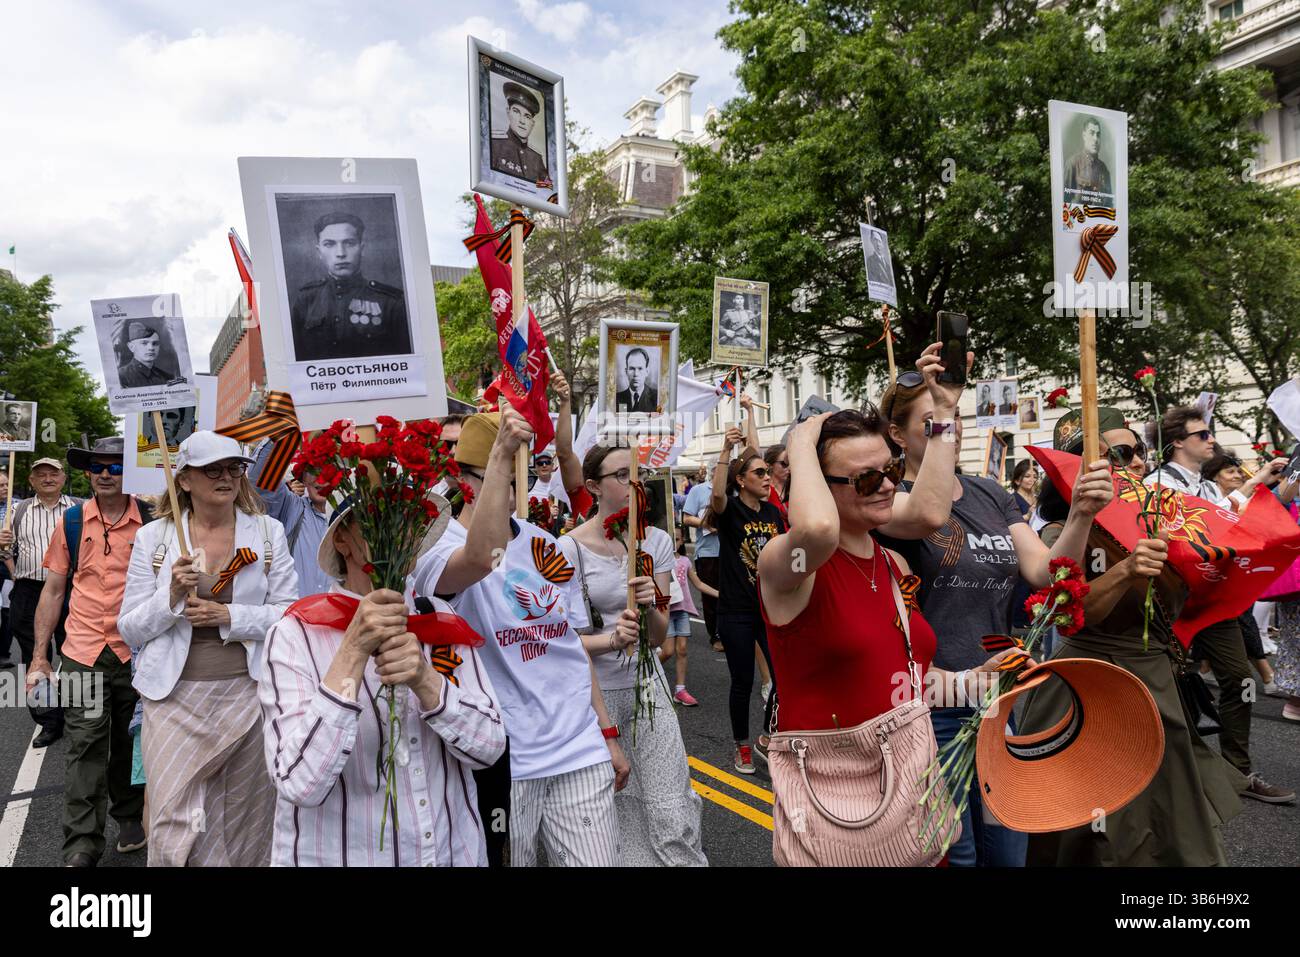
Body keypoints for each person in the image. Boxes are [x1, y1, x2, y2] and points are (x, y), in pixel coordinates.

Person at [757, 408, 1023, 866]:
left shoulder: (894, 565)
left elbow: (908, 681)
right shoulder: (791, 566)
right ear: (818, 484)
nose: (886, 486)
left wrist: (977, 681)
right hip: (840, 808)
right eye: (865, 479)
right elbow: (818, 529)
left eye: (892, 470)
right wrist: (800, 441)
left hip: (912, 799)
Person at [878, 360, 1114, 867]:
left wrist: (1080, 513)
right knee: (957, 854)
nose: (951, 427)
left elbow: (1045, 572)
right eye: (933, 420)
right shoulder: (889, 502)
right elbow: (928, 515)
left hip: (995, 701)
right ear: (896, 434)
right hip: (929, 702)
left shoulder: (990, 494)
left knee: (1007, 852)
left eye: (954, 417)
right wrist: (945, 411)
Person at [1021, 413, 1248, 864]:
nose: (1139, 463)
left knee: (1173, 826)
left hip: (1158, 682)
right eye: (1121, 455)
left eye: (1138, 451)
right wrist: (1125, 570)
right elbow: (1072, 617)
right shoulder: (1064, 532)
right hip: (1092, 689)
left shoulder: (1165, 521)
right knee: (1099, 831)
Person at [410, 408, 627, 867]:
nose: (514, 491)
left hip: (578, 748)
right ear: (463, 479)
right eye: (503, 478)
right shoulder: (436, 548)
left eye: (520, 480)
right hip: (505, 760)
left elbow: (568, 646)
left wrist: (606, 733)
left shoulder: (544, 544)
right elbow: (481, 558)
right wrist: (501, 456)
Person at [260, 497, 505, 866]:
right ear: (342, 539)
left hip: (448, 854)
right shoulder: (295, 635)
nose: (402, 529)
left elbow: (490, 748)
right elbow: (299, 782)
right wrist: (353, 651)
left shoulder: (438, 621)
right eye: (381, 516)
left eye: (411, 518)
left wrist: (426, 681)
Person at [118, 431, 298, 866]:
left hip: (248, 696)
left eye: (234, 468)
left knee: (244, 819)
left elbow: (289, 614)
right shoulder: (154, 538)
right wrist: (170, 597)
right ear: (184, 480)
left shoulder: (268, 532)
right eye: (211, 470)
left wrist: (229, 616)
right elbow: (130, 629)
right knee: (170, 821)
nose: (226, 477)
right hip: (173, 701)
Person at [557, 444, 707, 866]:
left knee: (669, 800)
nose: (633, 484)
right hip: (596, 695)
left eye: (637, 474)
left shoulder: (655, 541)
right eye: (622, 475)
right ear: (593, 486)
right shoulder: (568, 548)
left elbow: (658, 635)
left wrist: (648, 604)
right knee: (617, 805)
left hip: (647, 686)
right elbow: (560, 644)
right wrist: (610, 640)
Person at [1144, 407, 1294, 803]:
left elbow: (1227, 513)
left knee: (1241, 680)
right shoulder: (1157, 482)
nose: (1211, 439)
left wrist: (1267, 481)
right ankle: (1167, 774)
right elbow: (1192, 527)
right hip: (1170, 604)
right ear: (1177, 441)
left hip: (1212, 601)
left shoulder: (1207, 487)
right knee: (1168, 688)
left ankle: (1237, 772)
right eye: (1202, 434)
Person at [26, 437, 148, 866]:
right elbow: (53, 590)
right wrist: (40, 657)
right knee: (84, 745)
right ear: (88, 473)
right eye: (98, 467)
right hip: (82, 652)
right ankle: (81, 842)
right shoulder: (73, 521)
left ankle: (129, 816)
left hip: (138, 653)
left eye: (116, 467)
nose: (106, 474)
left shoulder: (154, 521)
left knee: (131, 742)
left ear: (130, 473)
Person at [708, 428, 788, 773]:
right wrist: (726, 449)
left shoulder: (772, 514)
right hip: (736, 612)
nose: (767, 477)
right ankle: (741, 745)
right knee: (742, 681)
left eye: (768, 472)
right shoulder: (730, 511)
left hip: (771, 610)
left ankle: (768, 737)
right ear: (741, 480)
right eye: (759, 473)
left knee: (783, 678)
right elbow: (717, 496)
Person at [0, 457, 81, 746]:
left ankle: (77, 714)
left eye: (53, 474)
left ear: (63, 478)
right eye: (41, 474)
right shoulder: (15, 511)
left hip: (71, 590)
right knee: (32, 655)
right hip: (29, 591)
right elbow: (4, 549)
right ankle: (48, 719)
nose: (47, 478)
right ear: (31, 481)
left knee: (76, 653)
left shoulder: (79, 510)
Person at [290, 212, 411, 361]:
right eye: (329, 244)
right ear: (319, 252)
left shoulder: (391, 302)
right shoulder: (306, 300)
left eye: (349, 243)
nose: (341, 253)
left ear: (362, 248)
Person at [250, 438, 332, 599]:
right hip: (294, 614)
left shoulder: (355, 517)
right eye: (313, 470)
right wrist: (279, 435)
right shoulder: (293, 509)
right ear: (303, 478)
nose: (320, 478)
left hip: (342, 615)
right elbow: (260, 478)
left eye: (328, 469)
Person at [662, 527, 706, 707]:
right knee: (668, 651)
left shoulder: (685, 561)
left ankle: (680, 690)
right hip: (665, 611)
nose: (675, 542)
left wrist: (721, 594)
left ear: (682, 541)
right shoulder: (660, 560)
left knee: (682, 649)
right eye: (672, 539)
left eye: (678, 539)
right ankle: (647, 675)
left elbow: (698, 584)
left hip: (682, 612)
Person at [682, 467, 722, 653]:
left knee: (732, 593)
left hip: (731, 551)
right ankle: (715, 635)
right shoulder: (699, 490)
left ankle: (730, 632)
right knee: (711, 596)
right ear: (714, 471)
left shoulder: (733, 490)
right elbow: (686, 518)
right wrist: (705, 523)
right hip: (707, 552)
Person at [490, 81, 551, 183]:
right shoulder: (494, 144)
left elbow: (546, 190)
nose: (522, 121)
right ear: (508, 112)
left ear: (532, 123)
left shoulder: (537, 158)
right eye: (516, 112)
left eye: (527, 116)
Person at [118, 321, 182, 388]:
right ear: (131, 347)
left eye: (155, 343)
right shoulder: (121, 377)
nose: (151, 348)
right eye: (144, 343)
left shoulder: (167, 377)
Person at [1064, 115, 1113, 199]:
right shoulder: (1072, 164)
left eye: (1098, 134)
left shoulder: (1104, 169)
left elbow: (1109, 202)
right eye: (1091, 133)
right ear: (1084, 136)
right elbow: (1064, 199)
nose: (1095, 139)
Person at [615, 348, 658, 414]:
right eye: (632, 369)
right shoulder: (616, 398)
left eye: (640, 368)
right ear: (626, 371)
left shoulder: (657, 397)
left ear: (647, 371)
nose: (636, 374)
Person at [764, 444, 790, 521]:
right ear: (769, 465)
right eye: (784, 464)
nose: (789, 467)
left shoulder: (794, 486)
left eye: (791, 463)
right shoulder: (764, 489)